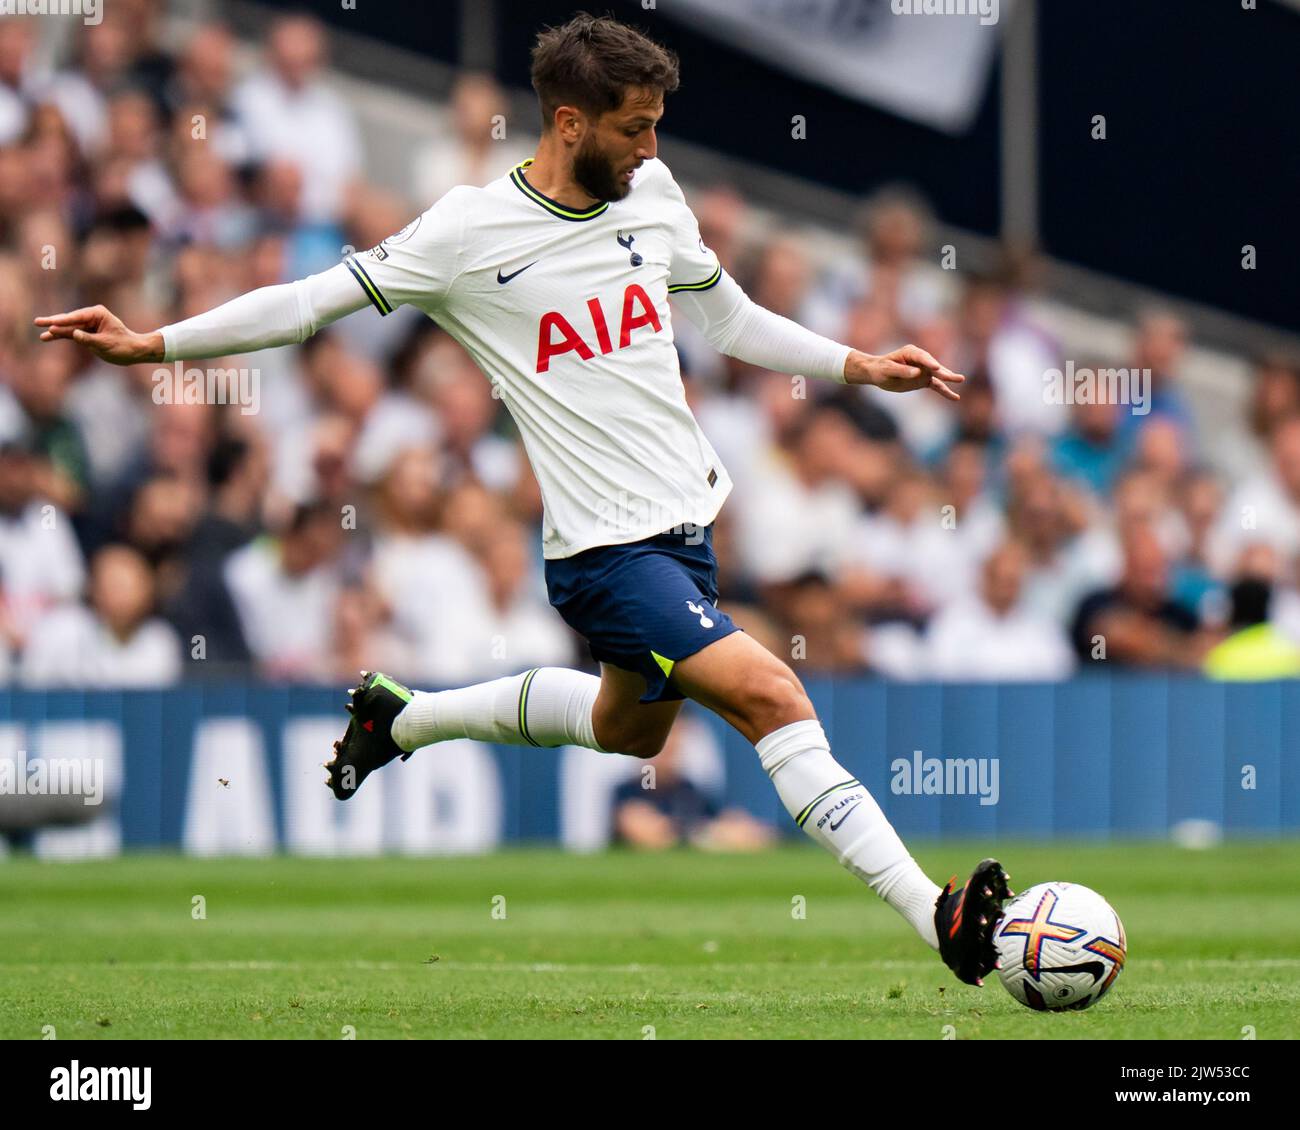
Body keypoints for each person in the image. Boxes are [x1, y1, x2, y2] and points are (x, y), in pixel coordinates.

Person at [35, 14, 1008, 989]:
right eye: (635, 127)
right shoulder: (468, 233)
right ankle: (937, 913)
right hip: (604, 556)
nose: (651, 147)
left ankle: (398, 720)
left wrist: (856, 364)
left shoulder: (654, 195)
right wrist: (153, 341)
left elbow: (729, 317)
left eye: (658, 124)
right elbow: (307, 301)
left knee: (628, 728)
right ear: (571, 122)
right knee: (772, 696)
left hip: (685, 532)